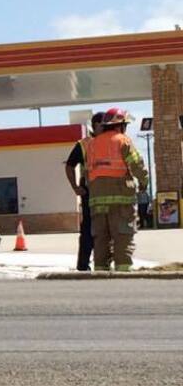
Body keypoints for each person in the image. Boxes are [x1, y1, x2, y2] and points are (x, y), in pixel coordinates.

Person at [83, 107, 150, 271]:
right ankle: (123, 274)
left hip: (97, 202)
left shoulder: (91, 145)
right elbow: (137, 165)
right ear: (121, 125)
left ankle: (100, 273)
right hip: (121, 200)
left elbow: (87, 174)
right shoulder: (123, 140)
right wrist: (144, 183)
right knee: (122, 237)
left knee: (101, 239)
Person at [63, 113, 104, 271]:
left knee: (107, 229)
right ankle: (83, 265)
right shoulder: (84, 144)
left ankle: (103, 264)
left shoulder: (114, 141)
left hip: (108, 192)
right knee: (88, 230)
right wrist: (75, 187)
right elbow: (69, 165)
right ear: (95, 125)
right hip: (90, 193)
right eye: (103, 124)